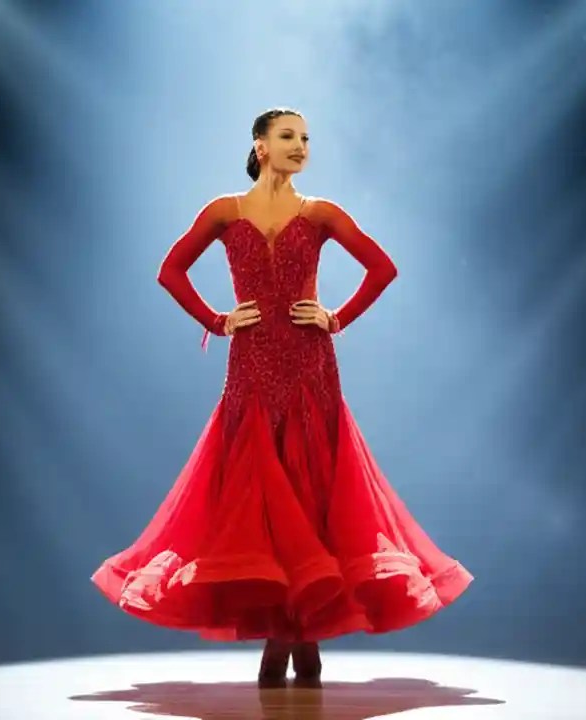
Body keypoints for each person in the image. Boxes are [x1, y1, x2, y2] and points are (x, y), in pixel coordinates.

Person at [91, 107, 472, 688]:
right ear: (260, 146)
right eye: (288, 137)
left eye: (306, 138)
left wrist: (335, 317)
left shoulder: (320, 213)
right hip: (249, 368)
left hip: (309, 366)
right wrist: (217, 320)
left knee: (311, 494)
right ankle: (281, 635)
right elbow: (171, 270)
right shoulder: (224, 211)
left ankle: (299, 636)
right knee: (257, 500)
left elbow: (382, 267)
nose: (301, 146)